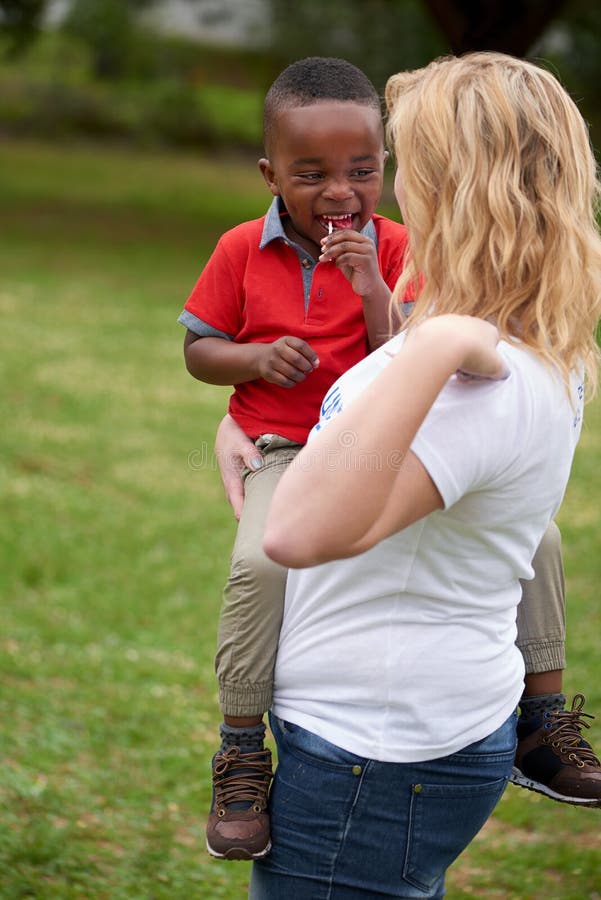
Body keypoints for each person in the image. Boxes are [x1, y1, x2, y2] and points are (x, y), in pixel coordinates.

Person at [249, 51, 601, 897]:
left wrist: (436, 344)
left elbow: (298, 532)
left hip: (372, 753)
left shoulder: (480, 370)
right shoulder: (503, 337)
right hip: (378, 738)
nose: (392, 188)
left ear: (454, 182)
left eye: (408, 162)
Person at [178, 57, 411, 860]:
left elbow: (408, 361)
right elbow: (198, 351)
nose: (340, 193)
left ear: (384, 168)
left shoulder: (397, 248)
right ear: (270, 173)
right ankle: (242, 746)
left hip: (374, 446)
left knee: (532, 541)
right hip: (281, 446)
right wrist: (251, 360)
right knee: (261, 568)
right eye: (311, 175)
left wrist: (373, 296)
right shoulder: (241, 248)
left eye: (362, 172)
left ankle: (539, 714)